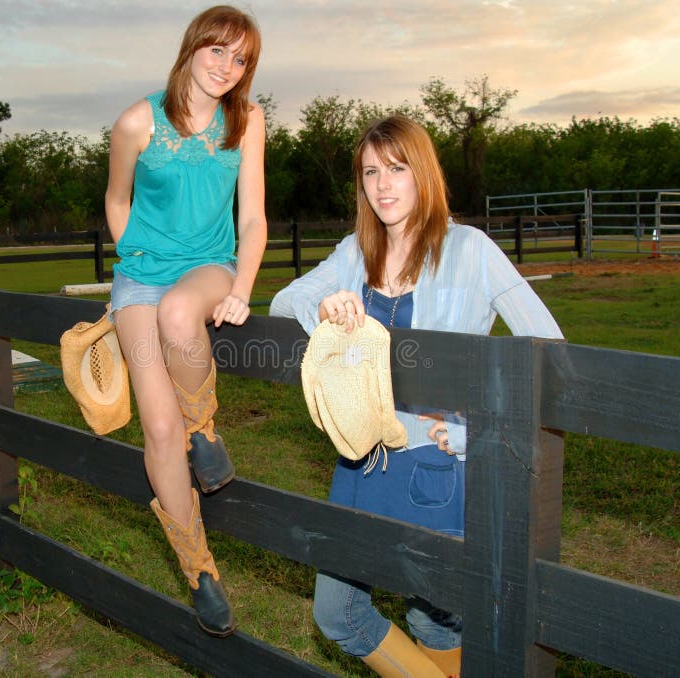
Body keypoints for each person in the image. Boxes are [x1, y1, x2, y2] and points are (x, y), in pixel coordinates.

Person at [270, 116, 562, 676]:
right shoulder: (355, 252)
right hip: (360, 460)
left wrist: (463, 435)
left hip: (435, 466)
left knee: (434, 619)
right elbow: (285, 302)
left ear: (422, 172)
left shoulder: (470, 249)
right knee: (338, 613)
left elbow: (549, 353)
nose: (382, 185)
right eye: (371, 171)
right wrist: (326, 304)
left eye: (397, 169)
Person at [104, 5, 266, 637]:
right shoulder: (136, 121)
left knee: (179, 313)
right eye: (218, 51)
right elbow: (117, 199)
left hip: (211, 269)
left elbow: (252, 217)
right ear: (191, 48)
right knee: (158, 429)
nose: (228, 67)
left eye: (241, 58)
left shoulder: (246, 122)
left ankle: (208, 430)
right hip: (139, 278)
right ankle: (199, 568)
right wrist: (136, 261)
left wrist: (244, 287)